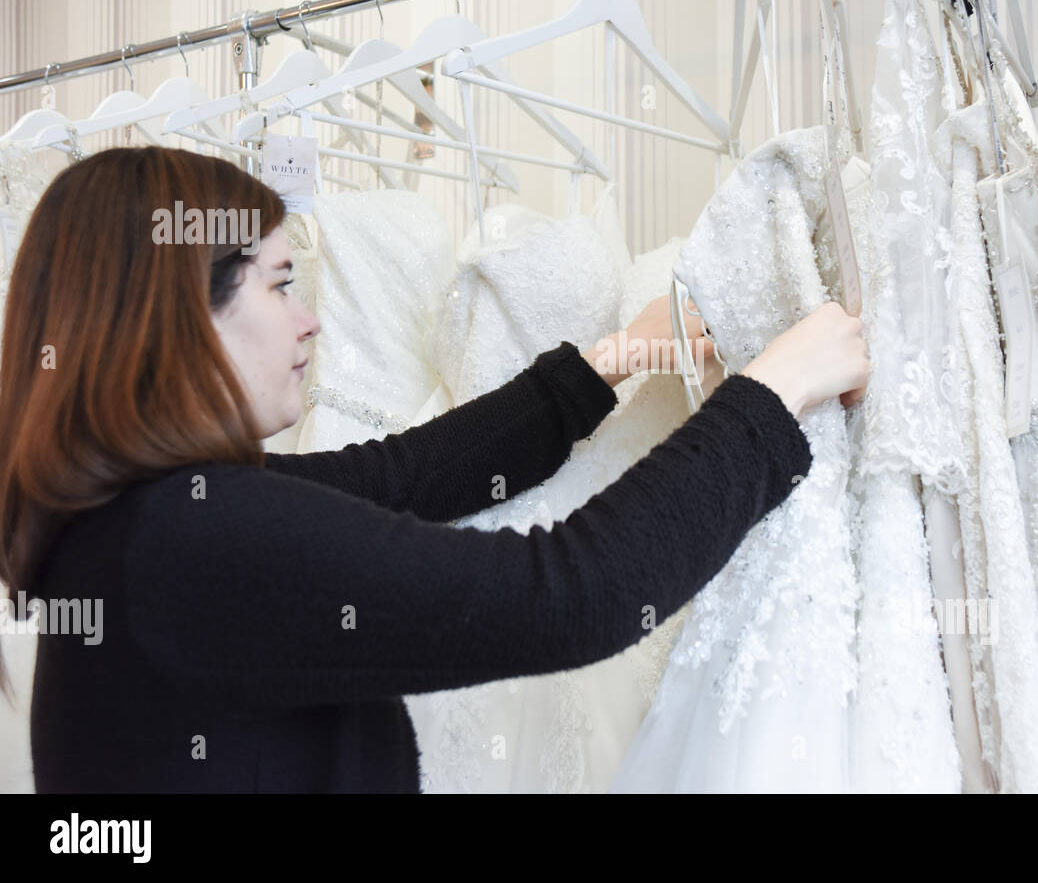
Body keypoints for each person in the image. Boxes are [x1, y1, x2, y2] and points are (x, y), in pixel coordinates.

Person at [0, 147, 870, 792]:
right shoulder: (195, 541)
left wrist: (610, 360)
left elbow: (406, 473)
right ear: (182, 319)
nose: (310, 322)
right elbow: (568, 594)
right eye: (278, 286)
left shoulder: (140, 524)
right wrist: (773, 389)